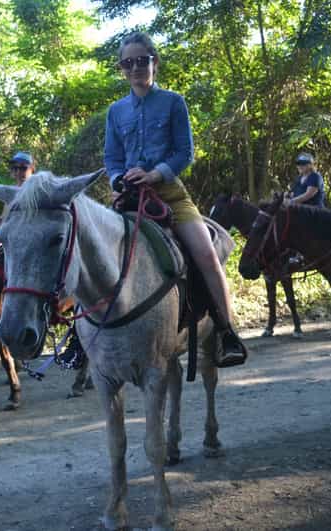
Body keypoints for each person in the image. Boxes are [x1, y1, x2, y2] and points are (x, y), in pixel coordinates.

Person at [103, 32, 247, 365]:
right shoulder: (116, 111)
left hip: (169, 193)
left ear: (154, 61)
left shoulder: (173, 102)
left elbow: (185, 152)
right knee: (92, 250)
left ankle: (227, 333)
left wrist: (154, 174)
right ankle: (84, 341)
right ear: (122, 68)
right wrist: (117, 178)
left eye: (142, 60)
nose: (136, 67)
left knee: (207, 256)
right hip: (128, 196)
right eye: (129, 63)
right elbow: (112, 158)